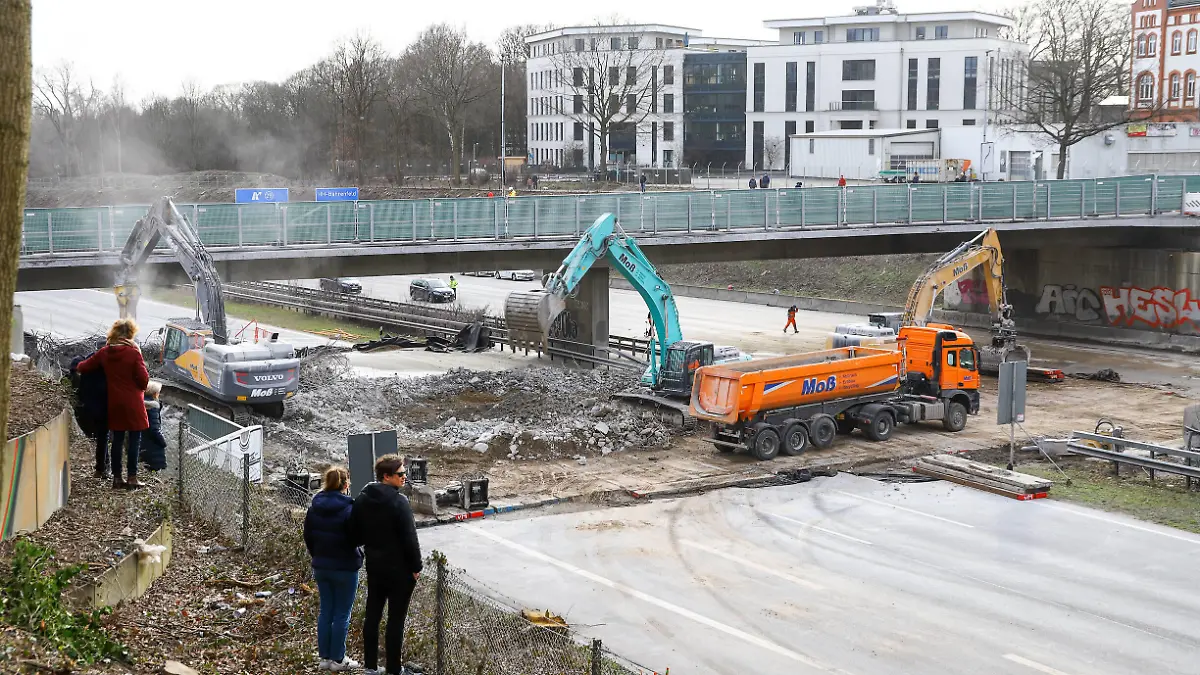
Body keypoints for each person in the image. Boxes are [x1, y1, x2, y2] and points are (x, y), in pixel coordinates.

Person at [351, 454, 422, 675]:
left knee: (372, 615)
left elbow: (354, 533)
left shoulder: (362, 498)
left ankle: (370, 666)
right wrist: (416, 567)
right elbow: (410, 537)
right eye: (400, 474)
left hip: (375, 566)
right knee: (396, 620)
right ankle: (393, 669)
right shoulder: (398, 501)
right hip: (399, 570)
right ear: (386, 476)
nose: (404, 477)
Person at [76, 318, 149, 489]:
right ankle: (132, 478)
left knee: (117, 440)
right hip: (133, 403)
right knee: (134, 440)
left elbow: (83, 366)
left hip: (114, 403)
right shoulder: (134, 352)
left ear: (113, 333)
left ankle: (117, 479)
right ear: (131, 334)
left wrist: (76, 363)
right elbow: (144, 381)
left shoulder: (105, 352)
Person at [305, 466, 363, 672]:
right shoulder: (350, 509)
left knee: (326, 611)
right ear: (346, 485)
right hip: (346, 567)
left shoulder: (314, 508)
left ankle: (324, 657)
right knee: (342, 614)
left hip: (322, 566)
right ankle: (338, 659)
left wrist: (318, 555)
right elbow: (358, 538)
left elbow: (308, 537)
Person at [70, 350, 109, 479]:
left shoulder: (85, 364)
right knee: (105, 438)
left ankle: (101, 469)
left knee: (100, 438)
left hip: (87, 407)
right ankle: (106, 468)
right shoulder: (107, 364)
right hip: (104, 405)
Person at [140, 381, 167, 472]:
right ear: (155, 393)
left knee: (144, 469)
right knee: (153, 471)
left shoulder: (140, 404)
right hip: (153, 448)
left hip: (142, 444)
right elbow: (154, 429)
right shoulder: (152, 407)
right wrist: (163, 442)